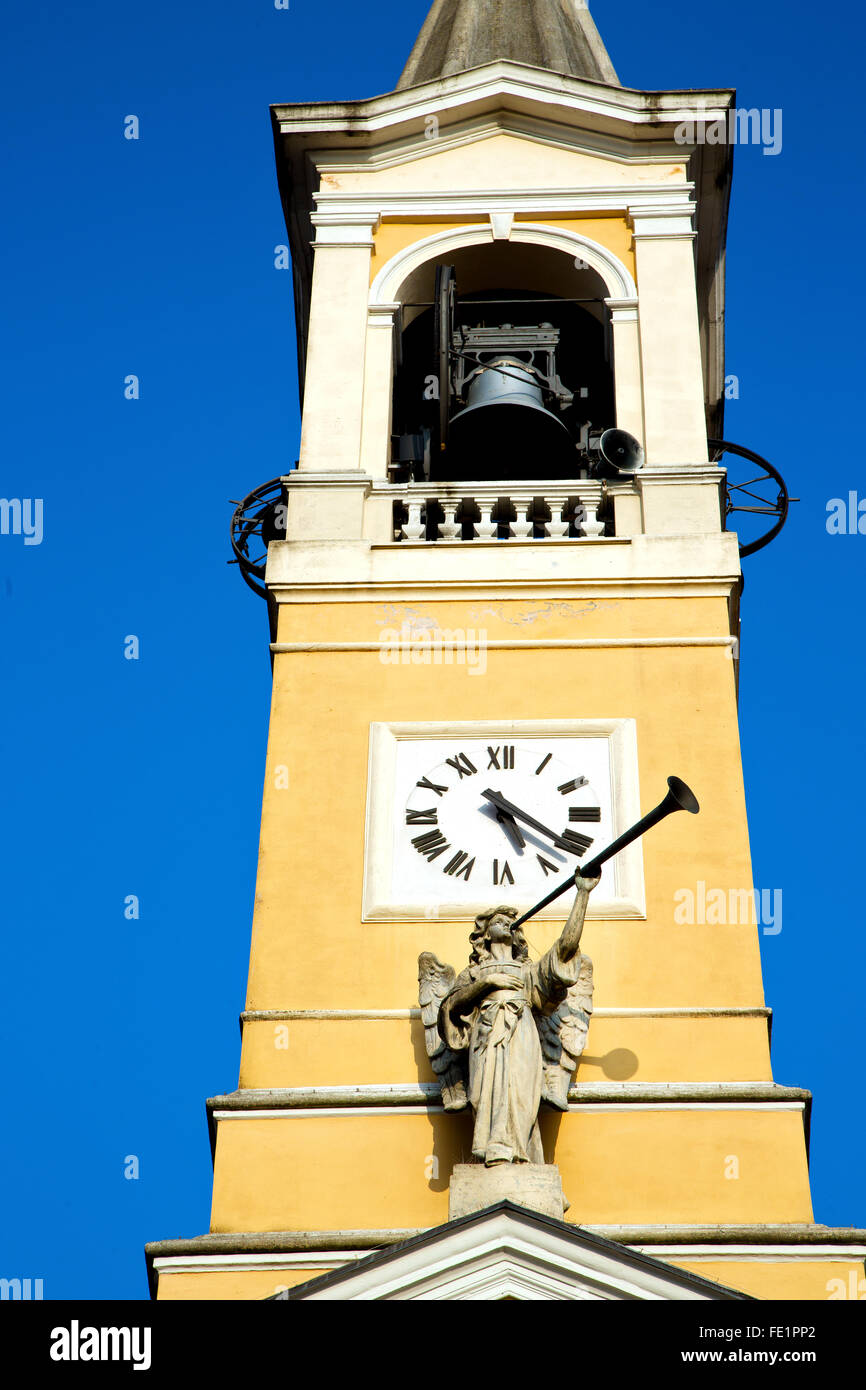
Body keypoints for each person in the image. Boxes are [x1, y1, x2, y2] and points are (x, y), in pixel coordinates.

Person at [438, 874, 599, 1166]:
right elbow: (451, 1006)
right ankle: (493, 1149)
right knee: (485, 1094)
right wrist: (487, 984)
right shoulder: (474, 974)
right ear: (485, 934)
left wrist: (582, 894)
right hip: (485, 1036)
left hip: (522, 1033)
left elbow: (565, 948)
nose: (506, 923)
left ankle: (518, 1154)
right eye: (498, 920)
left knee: (522, 1095)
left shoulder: (528, 972)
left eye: (510, 921)